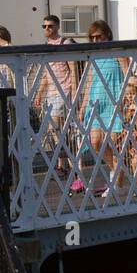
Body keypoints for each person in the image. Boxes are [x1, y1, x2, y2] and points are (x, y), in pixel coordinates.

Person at [79, 20, 128, 198]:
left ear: (107, 34)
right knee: (95, 142)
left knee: (115, 145)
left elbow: (127, 75)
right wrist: (83, 106)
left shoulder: (117, 52)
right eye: (92, 37)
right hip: (97, 102)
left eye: (99, 36)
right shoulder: (93, 56)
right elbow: (89, 82)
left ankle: (117, 184)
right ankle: (116, 171)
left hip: (114, 100)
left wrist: (123, 100)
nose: (96, 40)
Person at [34, 15, 77, 187]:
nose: (47, 29)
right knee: (57, 131)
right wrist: (39, 93)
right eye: (44, 26)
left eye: (50, 26)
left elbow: (72, 68)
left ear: (57, 26)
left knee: (57, 129)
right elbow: (45, 74)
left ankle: (65, 164)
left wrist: (74, 92)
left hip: (64, 90)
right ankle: (63, 163)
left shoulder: (64, 44)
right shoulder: (46, 47)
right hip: (51, 92)